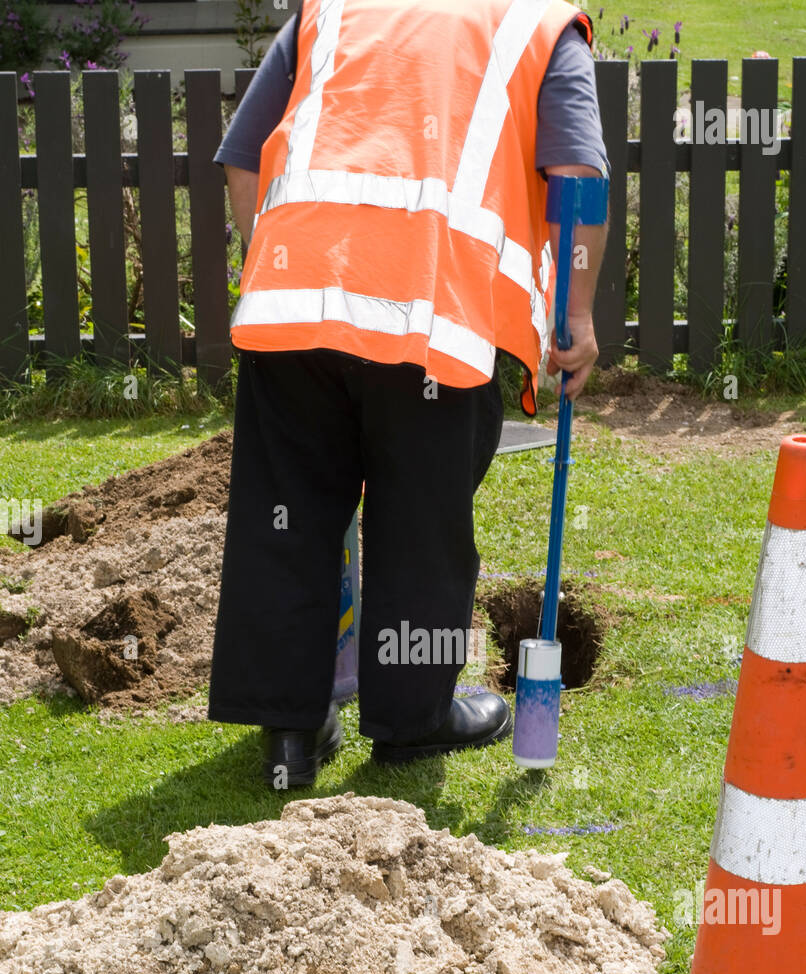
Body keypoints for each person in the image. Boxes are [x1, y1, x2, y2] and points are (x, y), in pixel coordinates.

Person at [209, 0, 609, 787]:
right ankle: (411, 717)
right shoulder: (540, 25)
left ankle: (289, 731)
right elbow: (577, 179)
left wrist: (286, 270)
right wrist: (576, 315)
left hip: (295, 304)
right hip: (431, 313)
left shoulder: (332, 8)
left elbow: (243, 157)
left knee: (284, 514)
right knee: (420, 521)